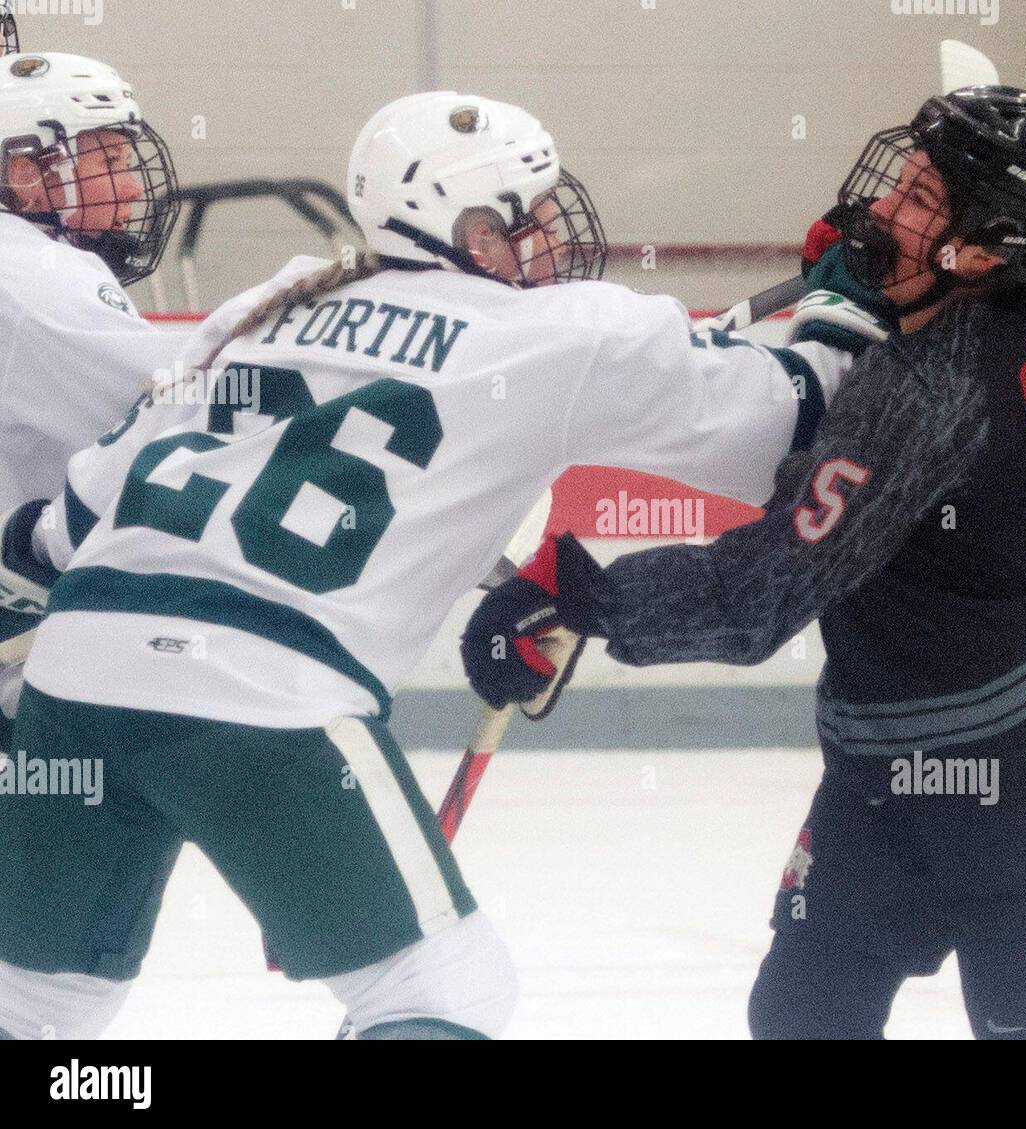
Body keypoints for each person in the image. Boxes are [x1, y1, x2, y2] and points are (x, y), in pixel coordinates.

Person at [0, 90, 865, 1040]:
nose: (547, 237)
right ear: (477, 231)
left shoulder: (267, 303)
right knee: (442, 993)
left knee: (40, 1003)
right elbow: (803, 417)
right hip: (266, 697)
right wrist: (846, 293)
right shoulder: (569, 333)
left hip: (72, 676)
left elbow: (69, 523)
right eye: (529, 215)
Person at [460, 86, 1026, 1039]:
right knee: (800, 1018)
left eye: (921, 199)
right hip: (886, 786)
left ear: (985, 250)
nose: (884, 209)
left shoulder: (931, 393)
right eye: (901, 181)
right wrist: (866, 293)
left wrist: (580, 595)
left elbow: (761, 593)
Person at [0, 52, 181, 750]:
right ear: (25, 172)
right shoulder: (38, 276)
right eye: (108, 156)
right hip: (35, 681)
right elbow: (181, 424)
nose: (135, 186)